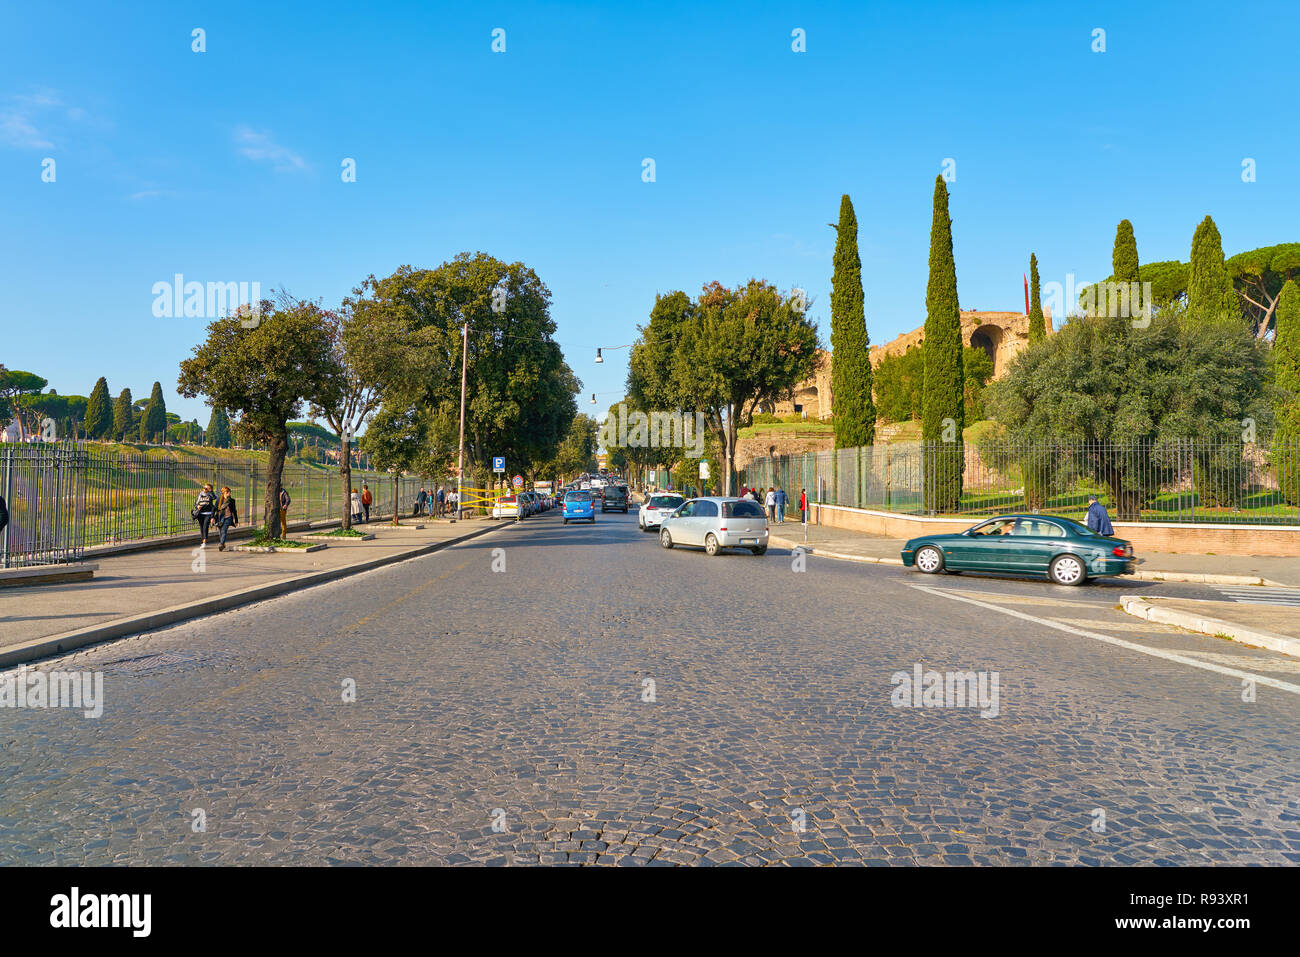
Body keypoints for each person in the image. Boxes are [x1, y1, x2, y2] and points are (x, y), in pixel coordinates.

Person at [215, 485, 238, 551]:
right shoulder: (219, 500)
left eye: (229, 492)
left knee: (224, 530)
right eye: (227, 492)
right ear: (223, 493)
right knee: (220, 532)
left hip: (228, 517)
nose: (229, 493)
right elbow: (215, 509)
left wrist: (236, 520)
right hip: (220, 518)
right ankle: (223, 543)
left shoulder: (231, 501)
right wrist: (212, 518)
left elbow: (234, 511)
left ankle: (221, 544)